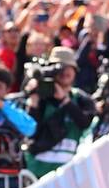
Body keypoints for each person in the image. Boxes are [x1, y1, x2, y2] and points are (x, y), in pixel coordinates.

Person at [22, 47, 96, 178]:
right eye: (60, 68)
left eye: (69, 67)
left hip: (67, 170)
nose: (65, 72)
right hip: (38, 169)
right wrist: (34, 100)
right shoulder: (42, 97)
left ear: (75, 71)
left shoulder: (81, 99)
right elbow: (30, 129)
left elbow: (84, 123)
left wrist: (65, 101)